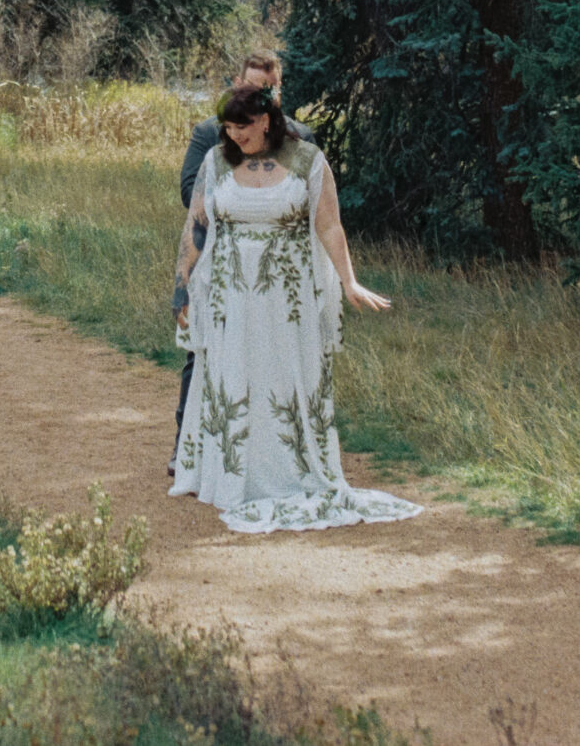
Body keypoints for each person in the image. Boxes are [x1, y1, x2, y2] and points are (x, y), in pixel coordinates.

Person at [169, 84, 419, 533]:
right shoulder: (216, 161)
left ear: (265, 120)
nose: (233, 136)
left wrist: (349, 281)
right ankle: (230, 473)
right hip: (230, 297)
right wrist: (183, 288)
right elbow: (196, 225)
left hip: (287, 297)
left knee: (283, 374)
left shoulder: (307, 160)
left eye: (240, 126)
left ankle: (290, 472)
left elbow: (328, 224)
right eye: (226, 127)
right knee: (233, 374)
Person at [174, 55, 312, 444]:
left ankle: (272, 443)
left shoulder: (301, 139)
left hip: (278, 266)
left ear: (278, 92)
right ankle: (186, 440)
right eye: (249, 87)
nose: (257, 96)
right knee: (206, 349)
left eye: (266, 90)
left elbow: (314, 207)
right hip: (223, 254)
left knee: (275, 355)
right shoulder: (209, 133)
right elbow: (190, 192)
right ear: (236, 82)